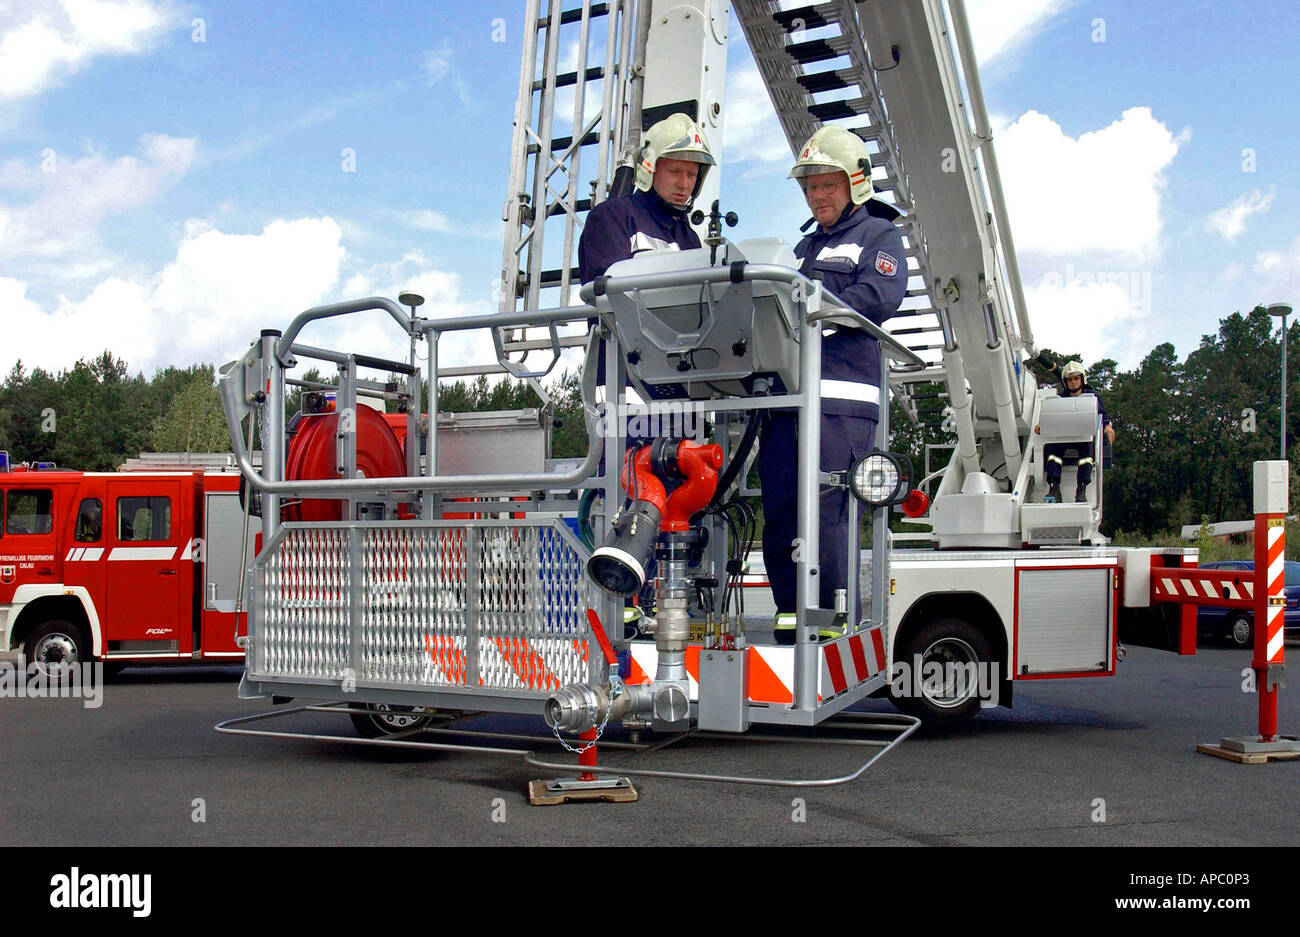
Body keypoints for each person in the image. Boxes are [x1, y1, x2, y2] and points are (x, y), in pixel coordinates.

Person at [758, 125, 908, 644]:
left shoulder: (879, 235)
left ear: (855, 183)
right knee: (779, 505)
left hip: (841, 404)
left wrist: (811, 304)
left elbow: (880, 296)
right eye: (810, 187)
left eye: (827, 184)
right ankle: (788, 616)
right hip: (786, 404)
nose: (817, 195)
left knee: (826, 509)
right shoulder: (798, 248)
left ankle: (833, 620)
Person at [578, 113, 715, 635]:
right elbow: (609, 295)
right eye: (676, 171)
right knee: (636, 487)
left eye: (692, 174)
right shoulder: (615, 219)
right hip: (627, 387)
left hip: (677, 390)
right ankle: (625, 607)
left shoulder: (691, 237)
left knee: (681, 489)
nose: (685, 183)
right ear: (651, 167)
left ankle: (665, 601)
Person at [1042, 360, 1115, 503]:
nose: (1073, 382)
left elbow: (1103, 417)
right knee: (1052, 450)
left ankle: (1081, 489)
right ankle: (1054, 488)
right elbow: (1051, 416)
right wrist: (1041, 425)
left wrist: (1108, 427)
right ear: (1065, 382)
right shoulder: (1060, 399)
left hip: (1084, 438)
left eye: (1076, 378)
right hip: (1063, 438)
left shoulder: (1093, 397)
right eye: (1070, 379)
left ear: (1082, 379)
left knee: (1088, 452)